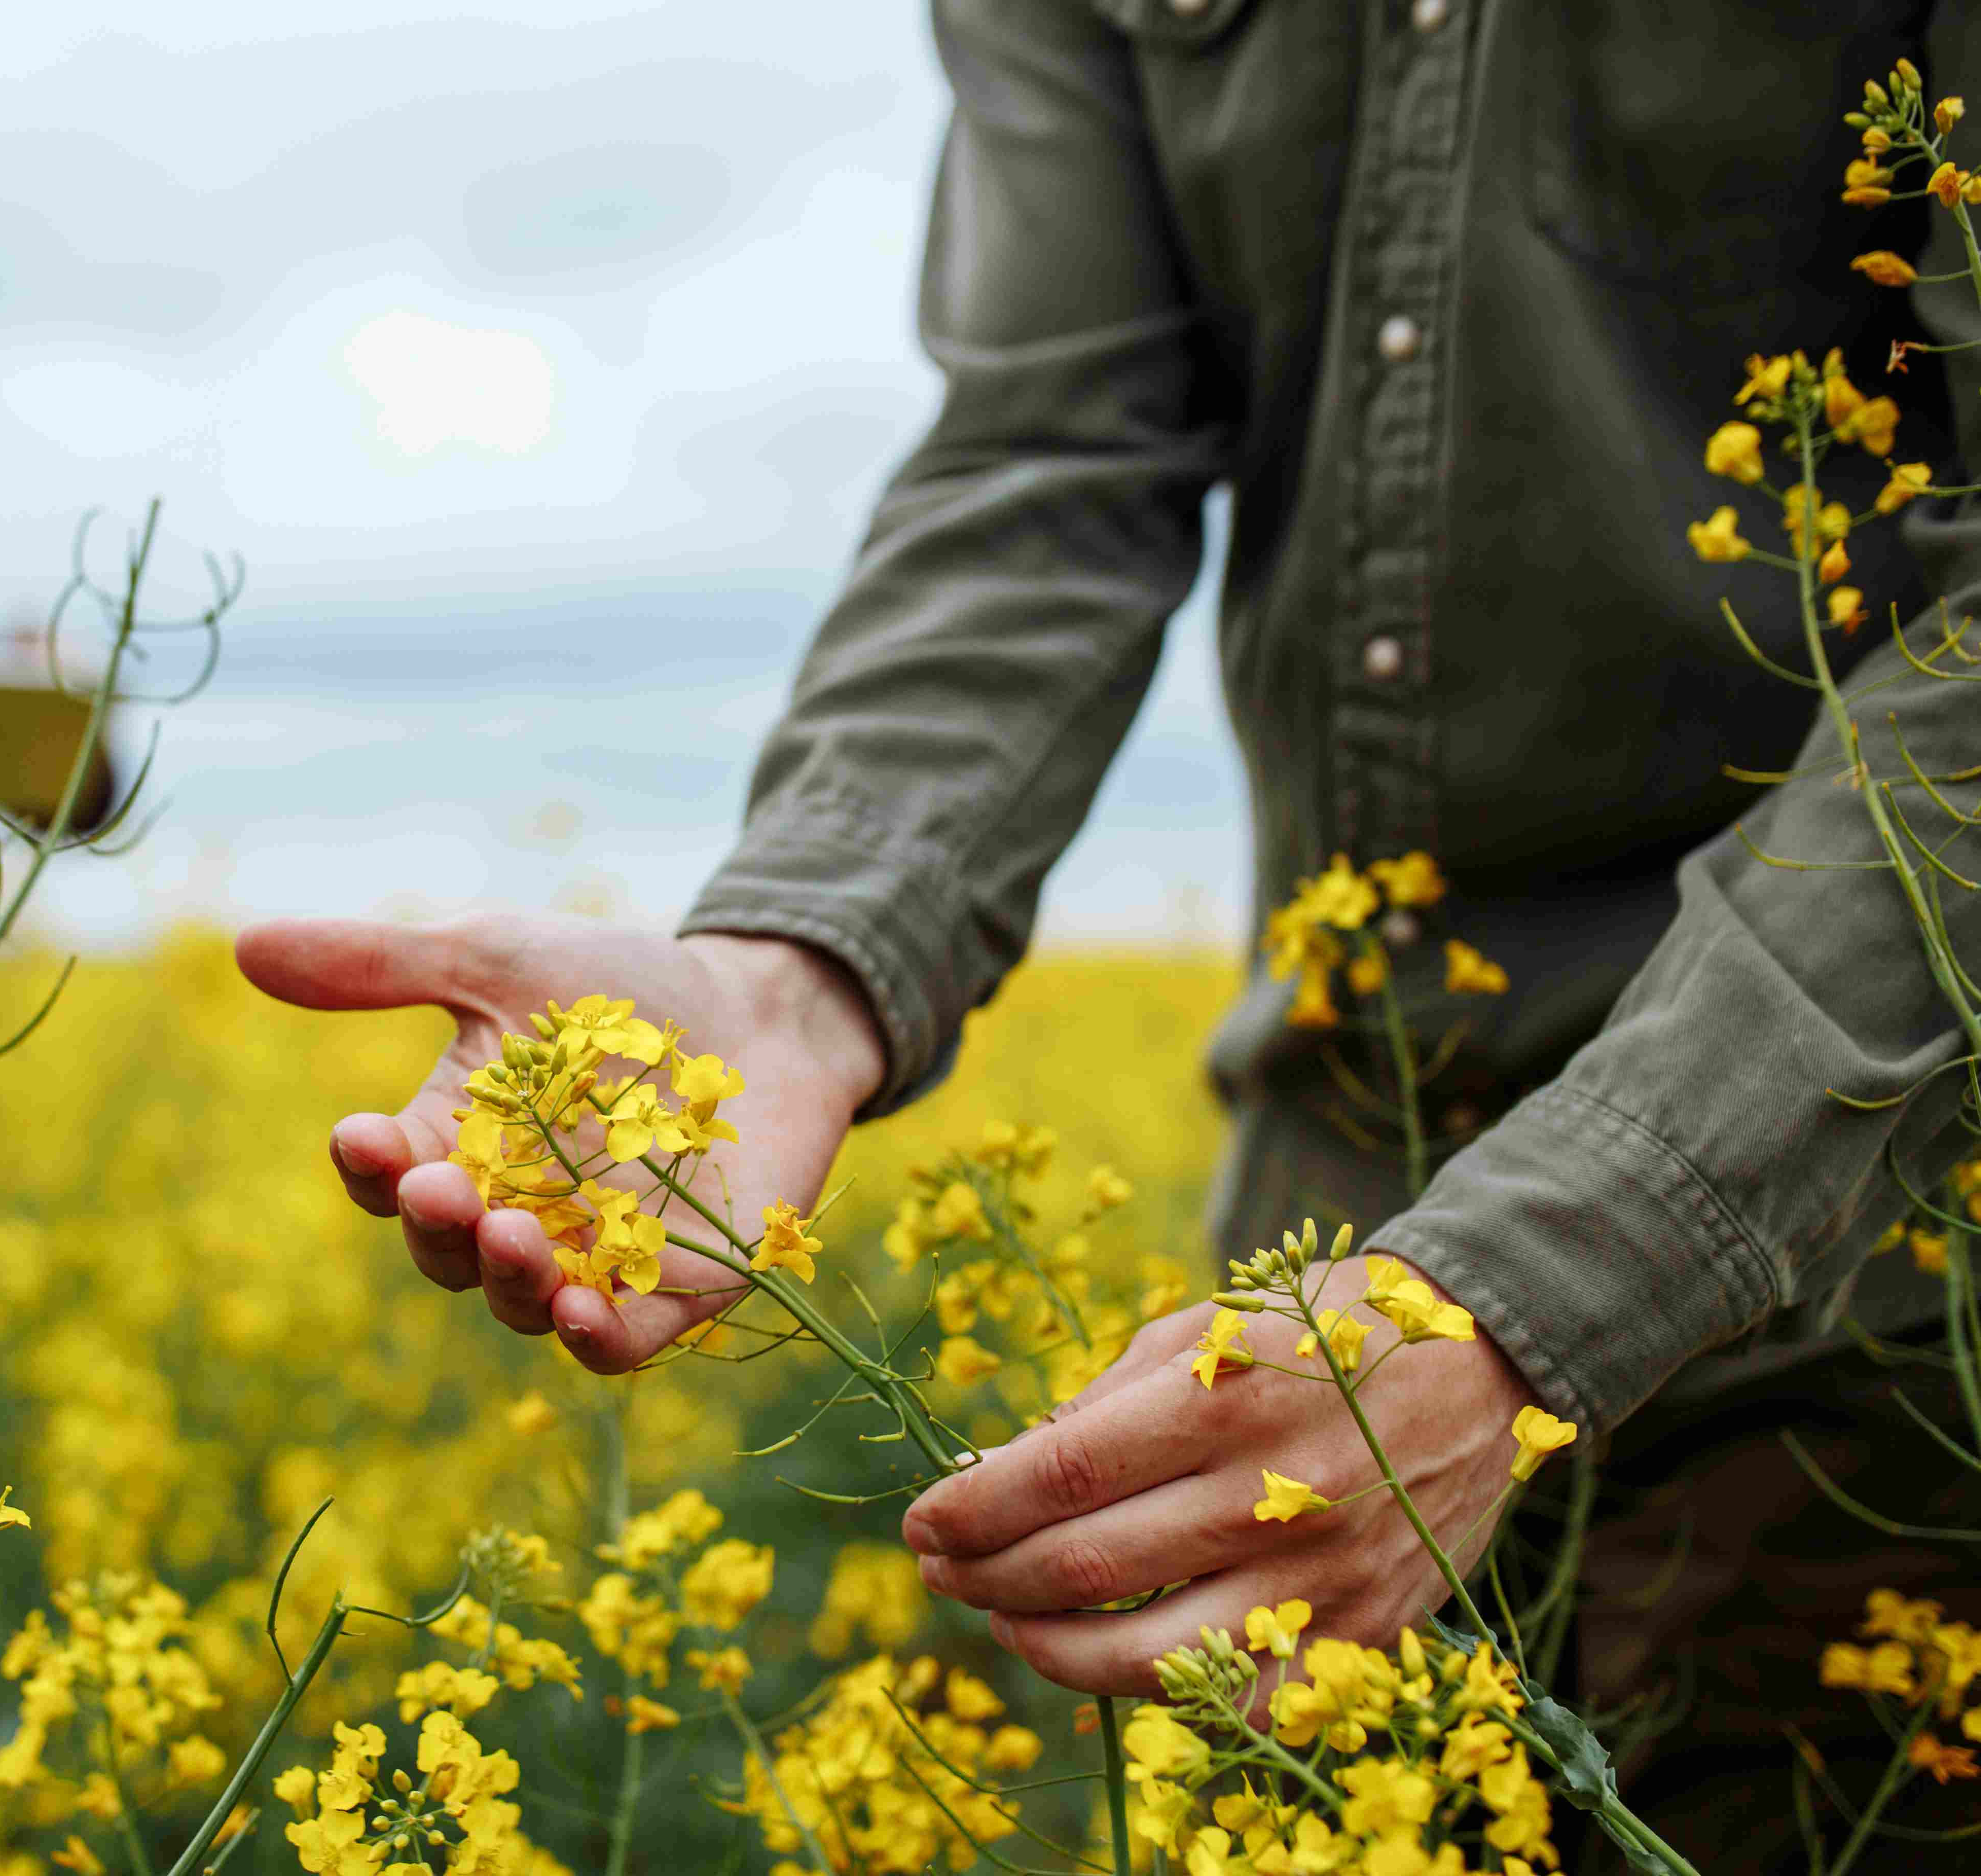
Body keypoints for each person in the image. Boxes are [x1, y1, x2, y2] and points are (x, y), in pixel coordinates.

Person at [237, 6, 1981, 1866]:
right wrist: (791, 966)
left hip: (1883, 1303)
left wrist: (1537, 1285)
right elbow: (1051, 457)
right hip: (1319, 1288)